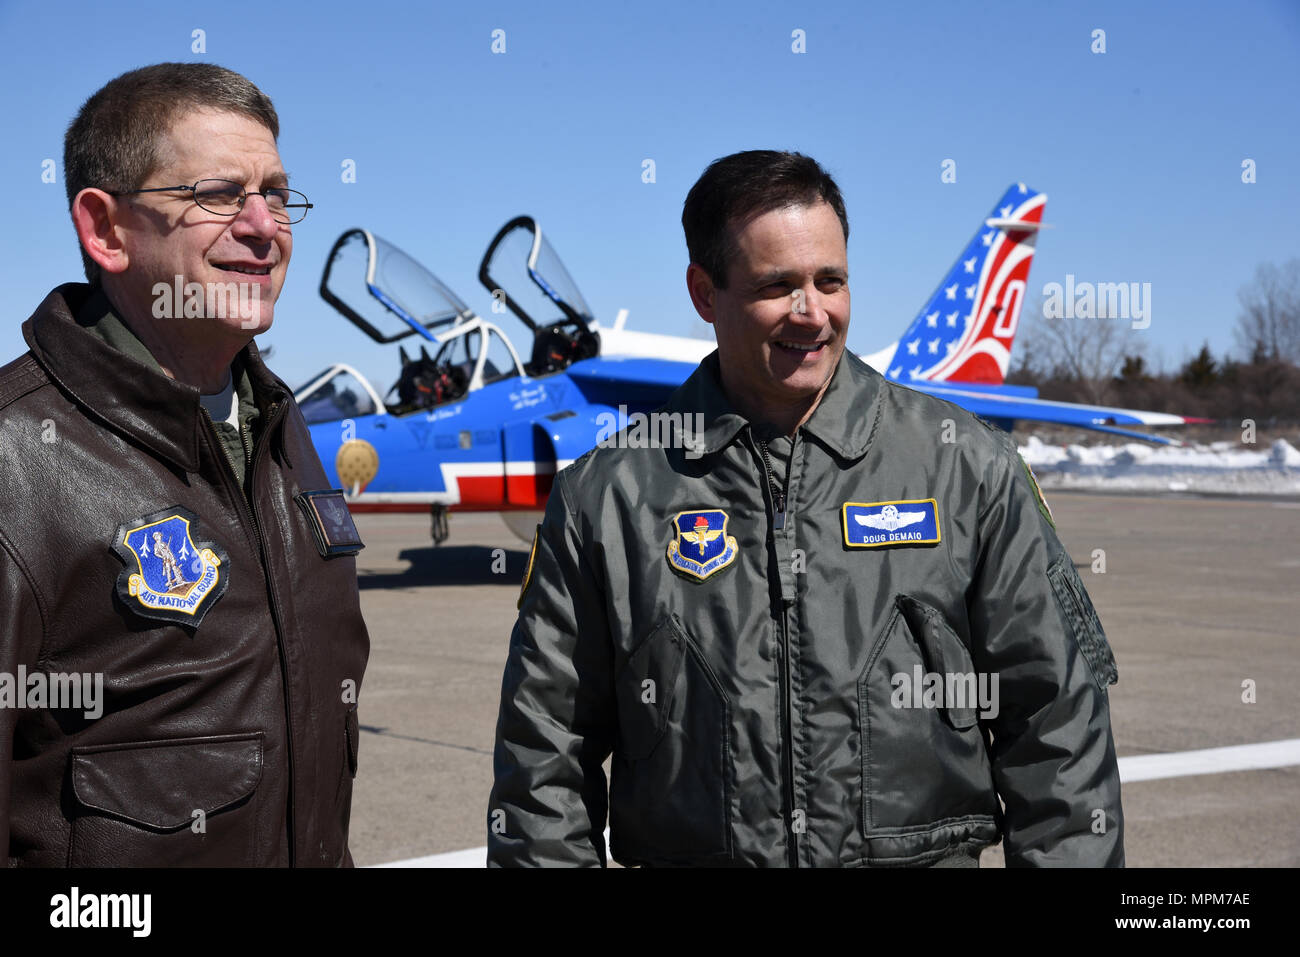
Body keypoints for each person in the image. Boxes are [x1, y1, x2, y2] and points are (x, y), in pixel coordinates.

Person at [488, 150, 1123, 867]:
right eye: (776, 285)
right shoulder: (606, 497)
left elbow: (1058, 727)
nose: (811, 313)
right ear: (704, 292)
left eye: (831, 280)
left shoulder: (967, 469)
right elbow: (543, 764)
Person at [0, 63, 370, 866]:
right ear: (105, 229)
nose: (265, 226)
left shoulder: (282, 429)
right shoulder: (14, 459)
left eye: (277, 193)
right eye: (218, 195)